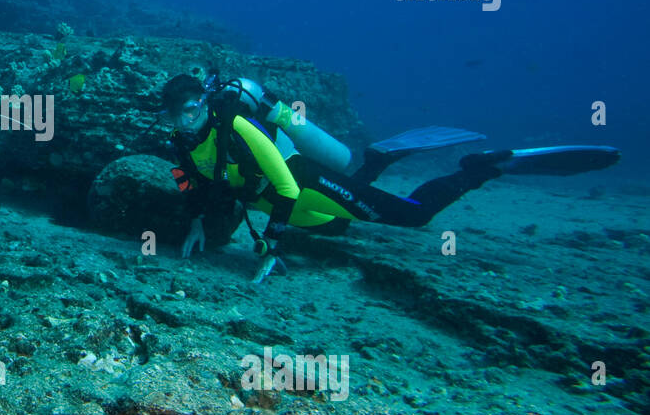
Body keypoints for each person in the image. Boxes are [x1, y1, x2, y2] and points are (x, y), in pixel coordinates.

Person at [161, 73, 621, 283]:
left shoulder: (237, 127)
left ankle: (483, 168)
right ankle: (378, 159)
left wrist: (273, 245)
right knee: (341, 226)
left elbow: (285, 186)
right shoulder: (181, 143)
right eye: (176, 115)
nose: (184, 121)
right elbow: (190, 184)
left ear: (203, 103)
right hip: (268, 203)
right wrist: (199, 222)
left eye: (191, 110)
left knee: (411, 216)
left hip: (301, 184)